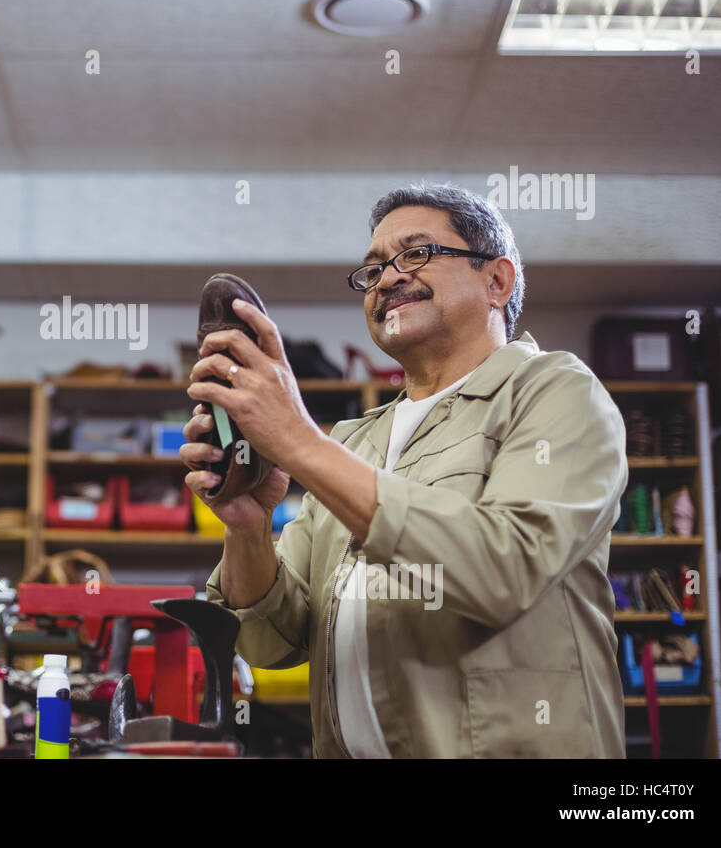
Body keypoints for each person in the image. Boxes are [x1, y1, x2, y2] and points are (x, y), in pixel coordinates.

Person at [183, 182, 627, 757]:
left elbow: (505, 570)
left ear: (497, 281)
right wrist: (246, 525)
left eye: (415, 254)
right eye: (372, 270)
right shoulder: (354, 441)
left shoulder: (556, 392)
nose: (388, 278)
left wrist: (299, 442)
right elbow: (272, 643)